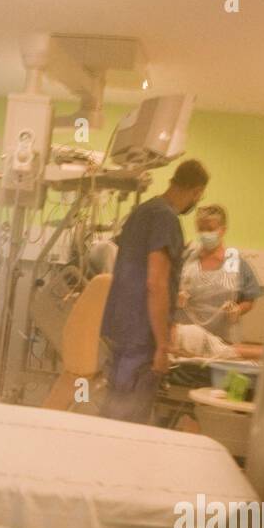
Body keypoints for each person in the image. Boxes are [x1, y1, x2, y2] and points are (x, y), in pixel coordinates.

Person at [99, 159, 209, 424]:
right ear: (196, 192)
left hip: (121, 328)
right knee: (128, 421)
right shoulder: (166, 218)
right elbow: (156, 283)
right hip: (141, 334)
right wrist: (162, 345)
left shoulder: (143, 211)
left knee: (114, 413)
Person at [176, 204, 261, 345]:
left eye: (210, 229)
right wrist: (175, 297)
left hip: (224, 340)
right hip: (187, 338)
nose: (205, 233)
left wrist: (238, 310)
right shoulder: (187, 261)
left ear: (222, 230)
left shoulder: (236, 264)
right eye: (201, 229)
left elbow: (249, 299)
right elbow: (165, 287)